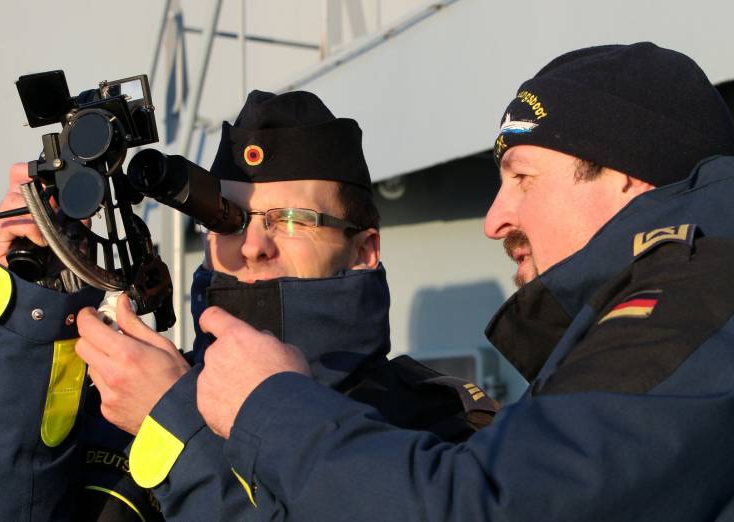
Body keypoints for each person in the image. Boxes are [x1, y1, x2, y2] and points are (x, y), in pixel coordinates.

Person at [194, 42, 734, 520]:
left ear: (626, 177)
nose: (493, 219)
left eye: (523, 177)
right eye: (225, 221)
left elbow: (488, 505)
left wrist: (215, 423)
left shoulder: (699, 295)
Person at [0, 91, 495, 521]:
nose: (252, 244)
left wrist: (173, 425)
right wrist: (32, 306)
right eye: (228, 219)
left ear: (363, 249)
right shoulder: (126, 395)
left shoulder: (435, 440)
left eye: (292, 220)